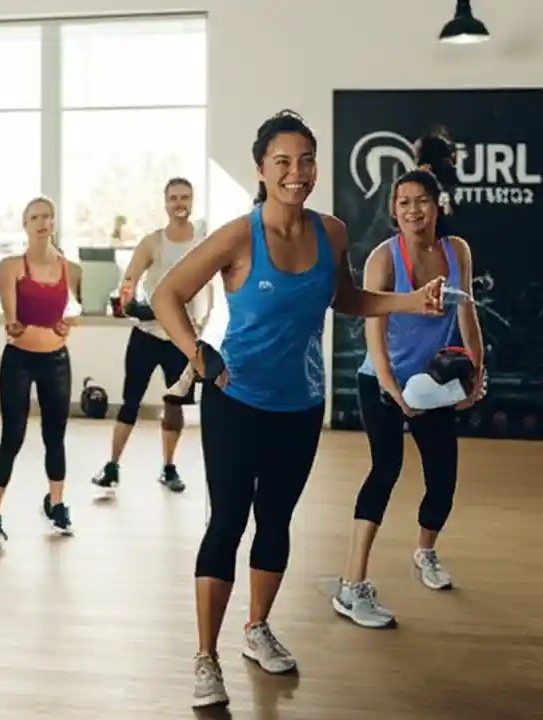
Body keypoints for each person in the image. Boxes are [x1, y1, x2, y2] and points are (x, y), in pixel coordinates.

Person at [149, 110, 445, 709]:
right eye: (283, 162)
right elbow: (166, 294)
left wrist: (410, 301)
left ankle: (256, 628)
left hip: (302, 404)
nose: (297, 172)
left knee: (277, 521)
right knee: (228, 521)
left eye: (306, 161)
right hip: (236, 400)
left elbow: (345, 296)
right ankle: (206, 658)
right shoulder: (238, 235)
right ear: (261, 169)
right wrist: (198, 354)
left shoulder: (331, 232)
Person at [333, 157, 485, 629]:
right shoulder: (383, 258)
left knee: (443, 481)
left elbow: (467, 317)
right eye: (404, 202)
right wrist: (392, 389)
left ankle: (425, 552)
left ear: (437, 206)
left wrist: (474, 376)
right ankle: (351, 584)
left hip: (431, 384)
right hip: (380, 379)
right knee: (386, 469)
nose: (413, 209)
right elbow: (373, 335)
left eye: (422, 200)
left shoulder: (456, 251)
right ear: (393, 211)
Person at [91, 178, 212, 496]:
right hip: (147, 334)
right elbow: (128, 280)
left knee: (175, 404)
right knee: (130, 400)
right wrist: (127, 295)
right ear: (166, 203)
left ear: (192, 201)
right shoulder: (152, 242)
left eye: (184, 197)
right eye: (174, 198)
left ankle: (169, 467)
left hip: (182, 337)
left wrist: (203, 324)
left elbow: (214, 284)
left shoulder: (203, 242)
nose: (179, 203)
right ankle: (112, 466)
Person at [0, 196, 80, 549]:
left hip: (56, 360)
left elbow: (75, 308)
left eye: (47, 216)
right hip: (19, 359)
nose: (42, 222)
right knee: (12, 437)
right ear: (25, 224)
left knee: (56, 436)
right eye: (34, 217)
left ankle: (57, 504)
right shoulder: (11, 266)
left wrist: (70, 322)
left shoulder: (70, 268)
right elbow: (11, 313)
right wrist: (13, 322)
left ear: (54, 223)